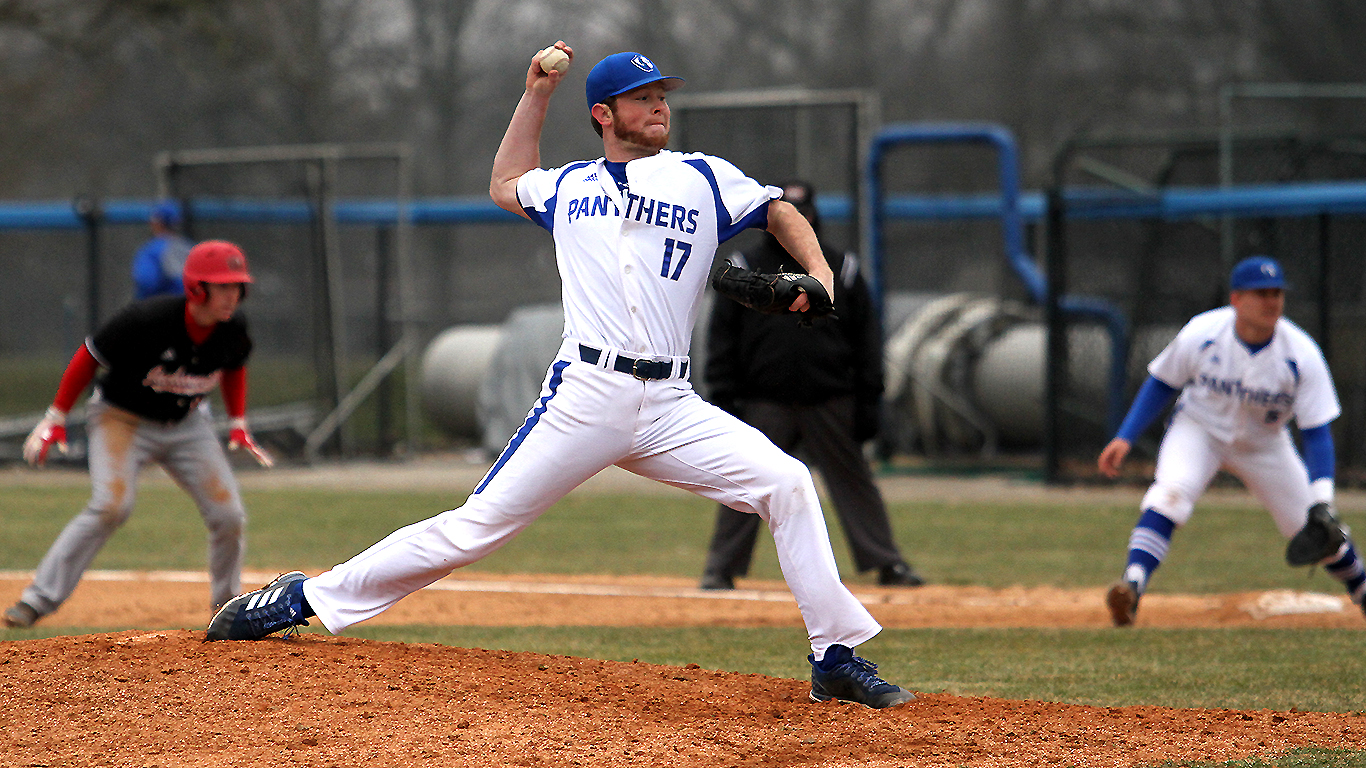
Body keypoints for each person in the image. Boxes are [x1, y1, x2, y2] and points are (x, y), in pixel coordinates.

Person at [205, 44, 915, 710]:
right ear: (603, 114)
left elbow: (779, 209)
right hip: (587, 396)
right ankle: (305, 598)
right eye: (641, 97)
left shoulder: (703, 176)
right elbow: (504, 183)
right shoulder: (569, 186)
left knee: (786, 482)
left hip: (670, 402)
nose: (658, 106)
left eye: (661, 94)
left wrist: (819, 276)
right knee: (474, 530)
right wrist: (537, 94)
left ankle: (834, 656)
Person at [3, 241, 275, 629]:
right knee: (111, 507)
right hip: (121, 420)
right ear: (197, 288)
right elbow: (88, 357)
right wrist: (56, 415)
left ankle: (226, 610)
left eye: (237, 286)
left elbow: (234, 367)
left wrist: (238, 423)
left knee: (228, 514)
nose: (233, 295)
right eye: (223, 286)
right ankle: (36, 600)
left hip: (187, 425)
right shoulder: (146, 320)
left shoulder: (233, 329)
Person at [1098, 255, 1365, 626]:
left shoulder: (1301, 354)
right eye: (1261, 293)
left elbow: (1317, 432)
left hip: (1265, 444)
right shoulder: (1204, 332)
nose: (1272, 301)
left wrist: (1323, 500)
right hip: (1199, 430)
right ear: (1237, 299)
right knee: (1170, 494)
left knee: (1317, 530)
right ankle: (1132, 588)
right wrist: (1125, 436)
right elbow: (1163, 382)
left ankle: (1363, 590)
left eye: (1277, 293)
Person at [699, 180, 923, 590]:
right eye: (789, 208)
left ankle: (887, 561)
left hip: (830, 397)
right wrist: (724, 392)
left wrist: (869, 397)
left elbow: (867, 338)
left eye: (804, 209)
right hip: (763, 399)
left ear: (814, 214)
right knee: (744, 481)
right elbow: (722, 336)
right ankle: (721, 566)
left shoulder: (841, 266)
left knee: (853, 480)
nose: (798, 215)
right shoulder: (746, 262)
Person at [131, 200, 194, 300]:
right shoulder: (189, 248)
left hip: (162, 308)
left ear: (157, 222)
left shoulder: (152, 251)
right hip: (191, 308)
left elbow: (146, 281)